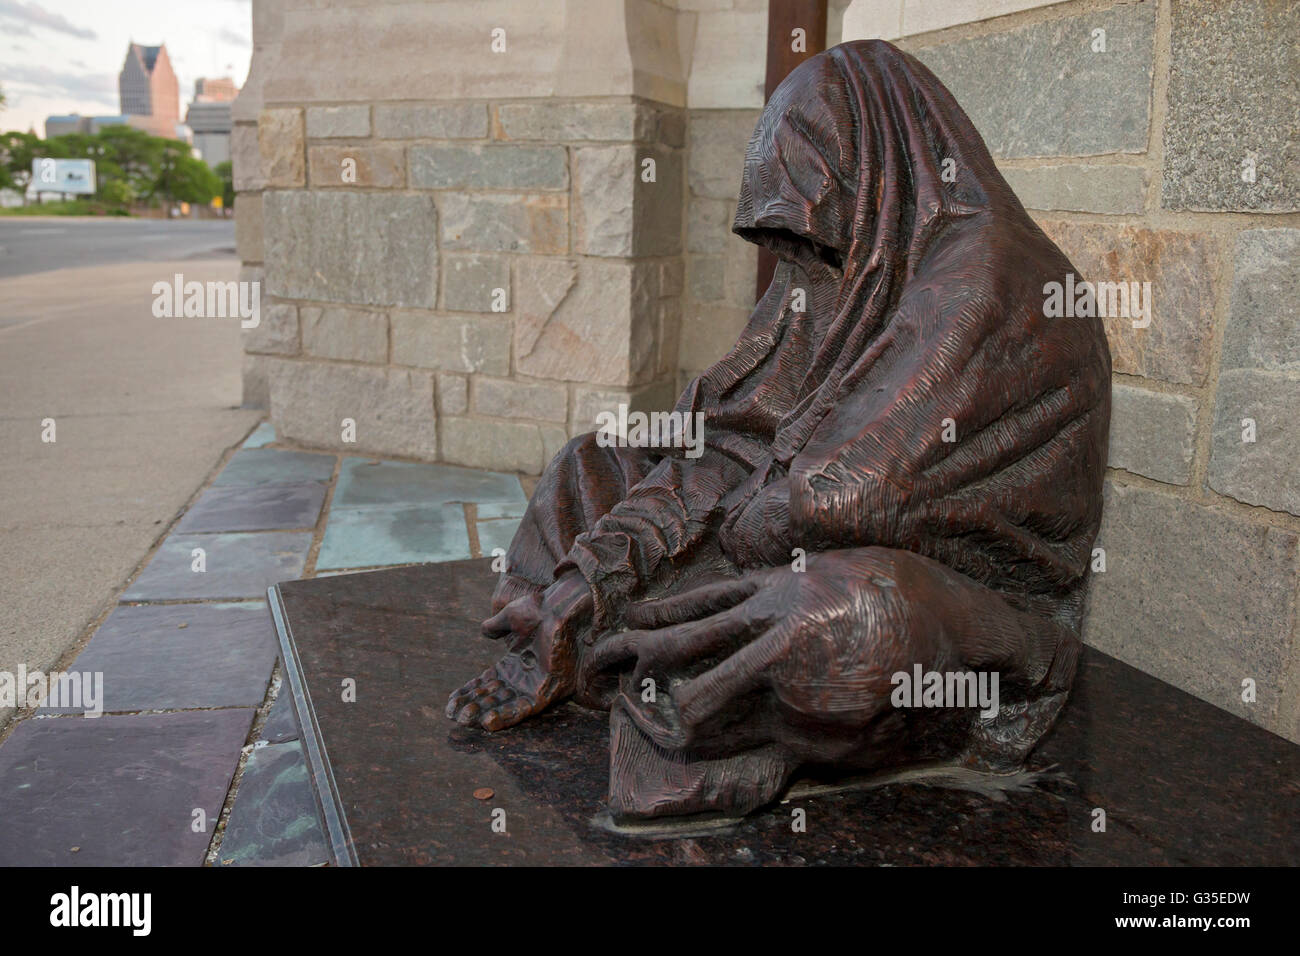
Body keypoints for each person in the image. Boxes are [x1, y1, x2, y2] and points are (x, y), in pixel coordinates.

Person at [447, 39, 1111, 821]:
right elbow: (729, 429)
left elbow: (842, 499)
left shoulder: (995, 277)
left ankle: (664, 685)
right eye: (790, 238)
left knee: (855, 617)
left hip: (973, 634)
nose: (802, 259)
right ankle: (573, 635)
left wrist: (706, 519)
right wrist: (594, 572)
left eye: (811, 226)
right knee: (593, 463)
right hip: (784, 532)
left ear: (872, 169)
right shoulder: (851, 260)